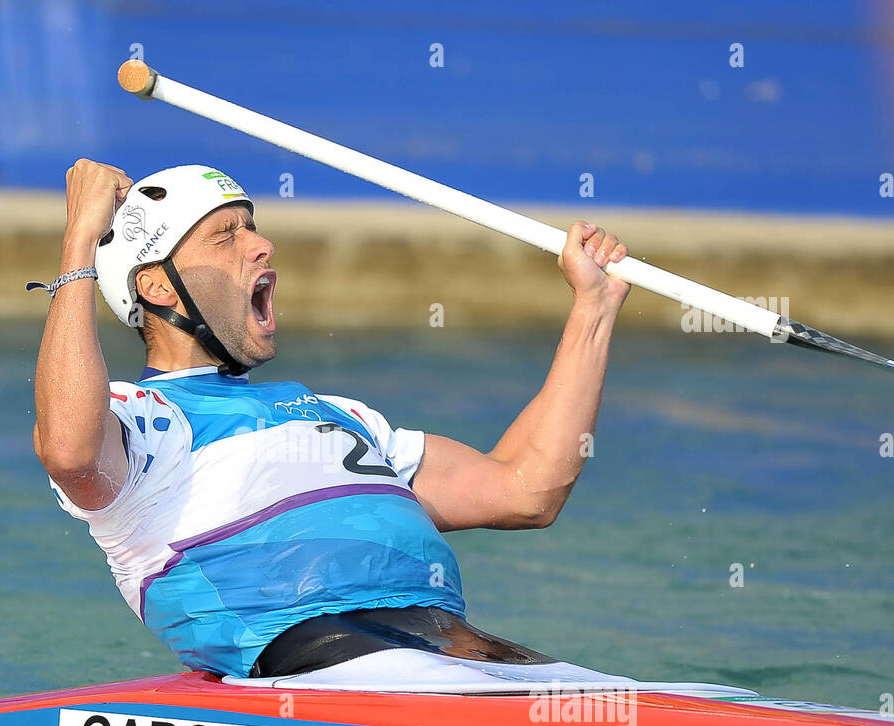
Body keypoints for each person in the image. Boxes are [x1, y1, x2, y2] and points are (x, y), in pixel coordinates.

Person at [31, 160, 632, 688]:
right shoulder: (139, 419)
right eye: (225, 236)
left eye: (253, 226)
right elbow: (68, 451)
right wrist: (80, 241)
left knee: (664, 709)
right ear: (158, 285)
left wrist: (593, 308)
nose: (262, 245)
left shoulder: (340, 414)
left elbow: (527, 491)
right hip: (323, 661)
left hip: (456, 647)